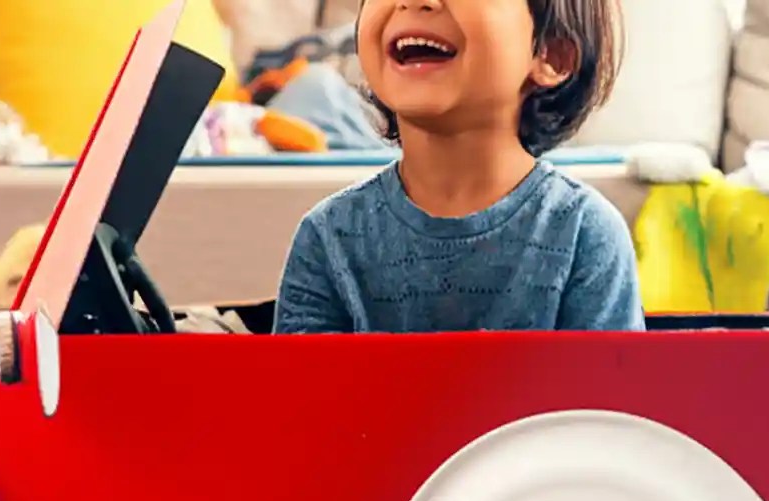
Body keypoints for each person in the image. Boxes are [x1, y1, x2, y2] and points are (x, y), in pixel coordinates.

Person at [274, 0, 645, 333]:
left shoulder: (585, 233)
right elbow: (300, 403)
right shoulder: (326, 236)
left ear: (552, 56)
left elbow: (608, 405)